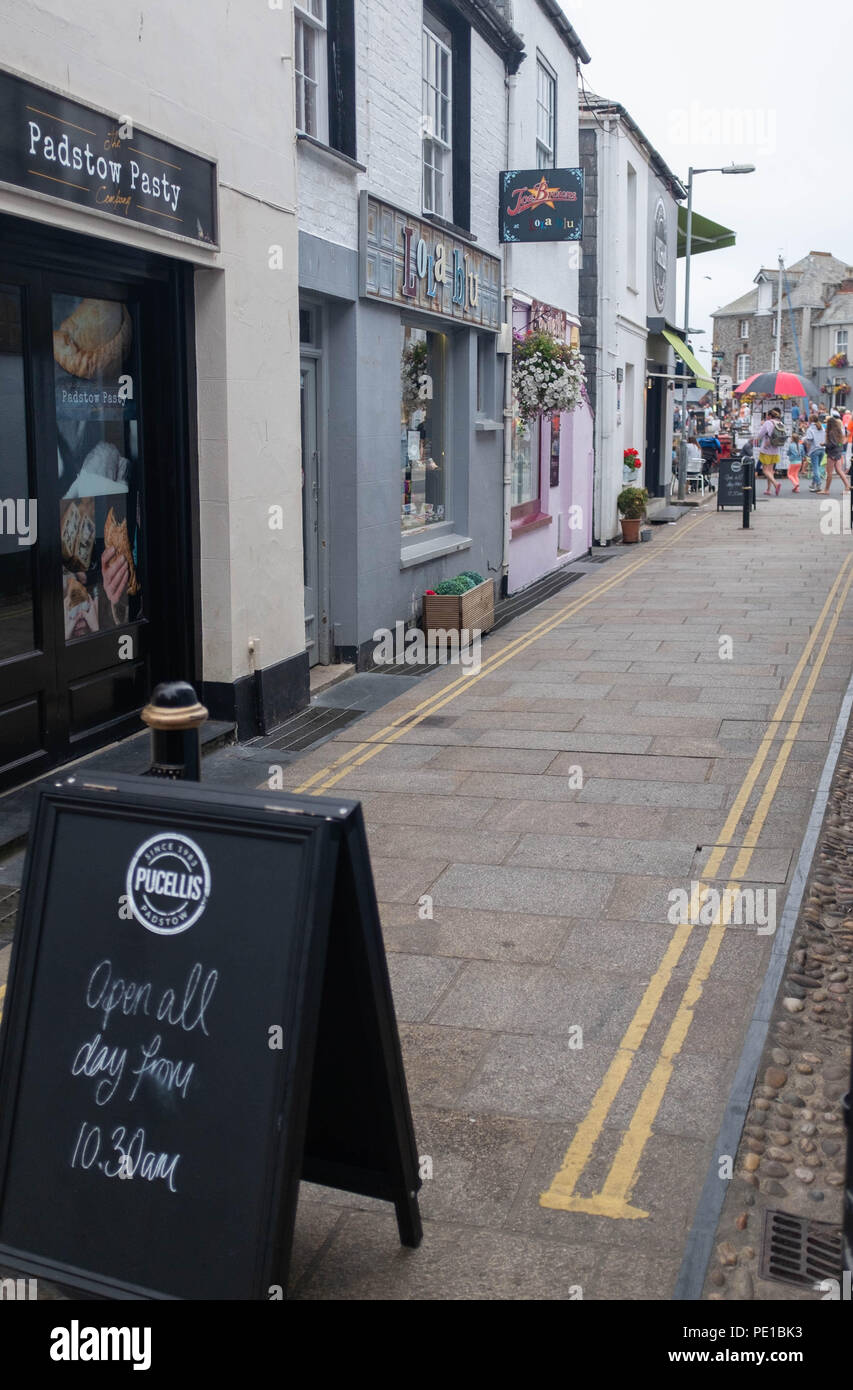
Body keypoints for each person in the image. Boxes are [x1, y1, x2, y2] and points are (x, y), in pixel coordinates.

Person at [754, 407, 785, 495]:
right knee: (770, 471)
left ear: (770, 416)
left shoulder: (768, 423)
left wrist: (762, 425)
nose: (766, 417)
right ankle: (768, 489)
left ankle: (776, 483)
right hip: (775, 450)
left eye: (767, 415)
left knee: (765, 470)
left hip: (766, 449)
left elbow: (760, 435)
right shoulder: (780, 423)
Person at [823, 411, 850, 493]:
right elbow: (839, 443)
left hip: (832, 454)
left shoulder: (831, 433)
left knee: (829, 473)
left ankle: (826, 490)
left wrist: (824, 444)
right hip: (838, 452)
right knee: (839, 470)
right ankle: (847, 486)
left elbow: (832, 444)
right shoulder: (838, 432)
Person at [803, 415, 827, 491]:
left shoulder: (810, 429)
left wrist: (804, 440)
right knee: (817, 467)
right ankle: (813, 484)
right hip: (822, 449)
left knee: (815, 468)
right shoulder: (822, 427)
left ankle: (818, 484)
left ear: (810, 420)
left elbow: (809, 440)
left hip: (814, 450)